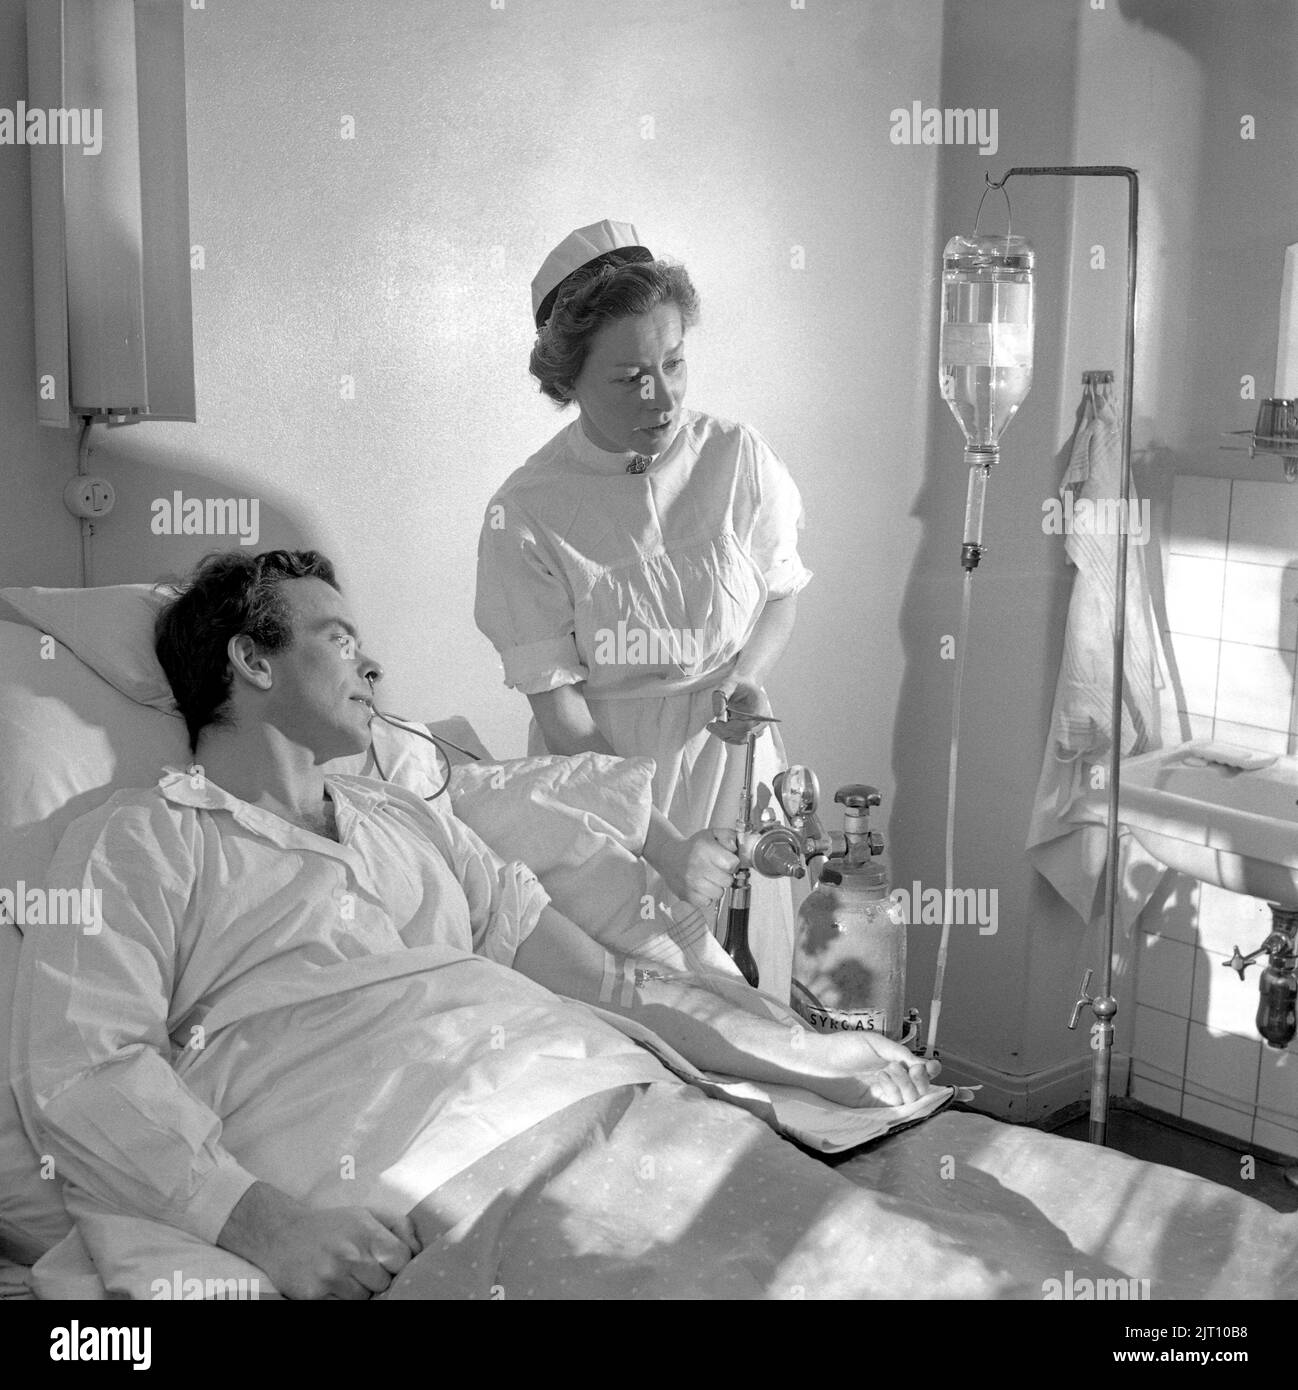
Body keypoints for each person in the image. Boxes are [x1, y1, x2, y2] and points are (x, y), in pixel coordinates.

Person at [12, 549, 941, 1301]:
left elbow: (612, 986)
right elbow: (84, 1071)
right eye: (338, 640)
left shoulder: (409, 820)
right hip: (428, 1167)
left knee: (899, 1256)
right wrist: (265, 1225)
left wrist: (803, 1056)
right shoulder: (142, 839)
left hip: (610, 1101)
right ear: (252, 661)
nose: (372, 665)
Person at [475, 220, 810, 996]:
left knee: (756, 994)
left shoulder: (735, 456)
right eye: (629, 378)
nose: (660, 397)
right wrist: (662, 847)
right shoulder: (526, 512)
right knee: (644, 1004)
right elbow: (563, 720)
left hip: (734, 758)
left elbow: (778, 599)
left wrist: (748, 681)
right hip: (603, 789)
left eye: (674, 363)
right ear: (570, 382)